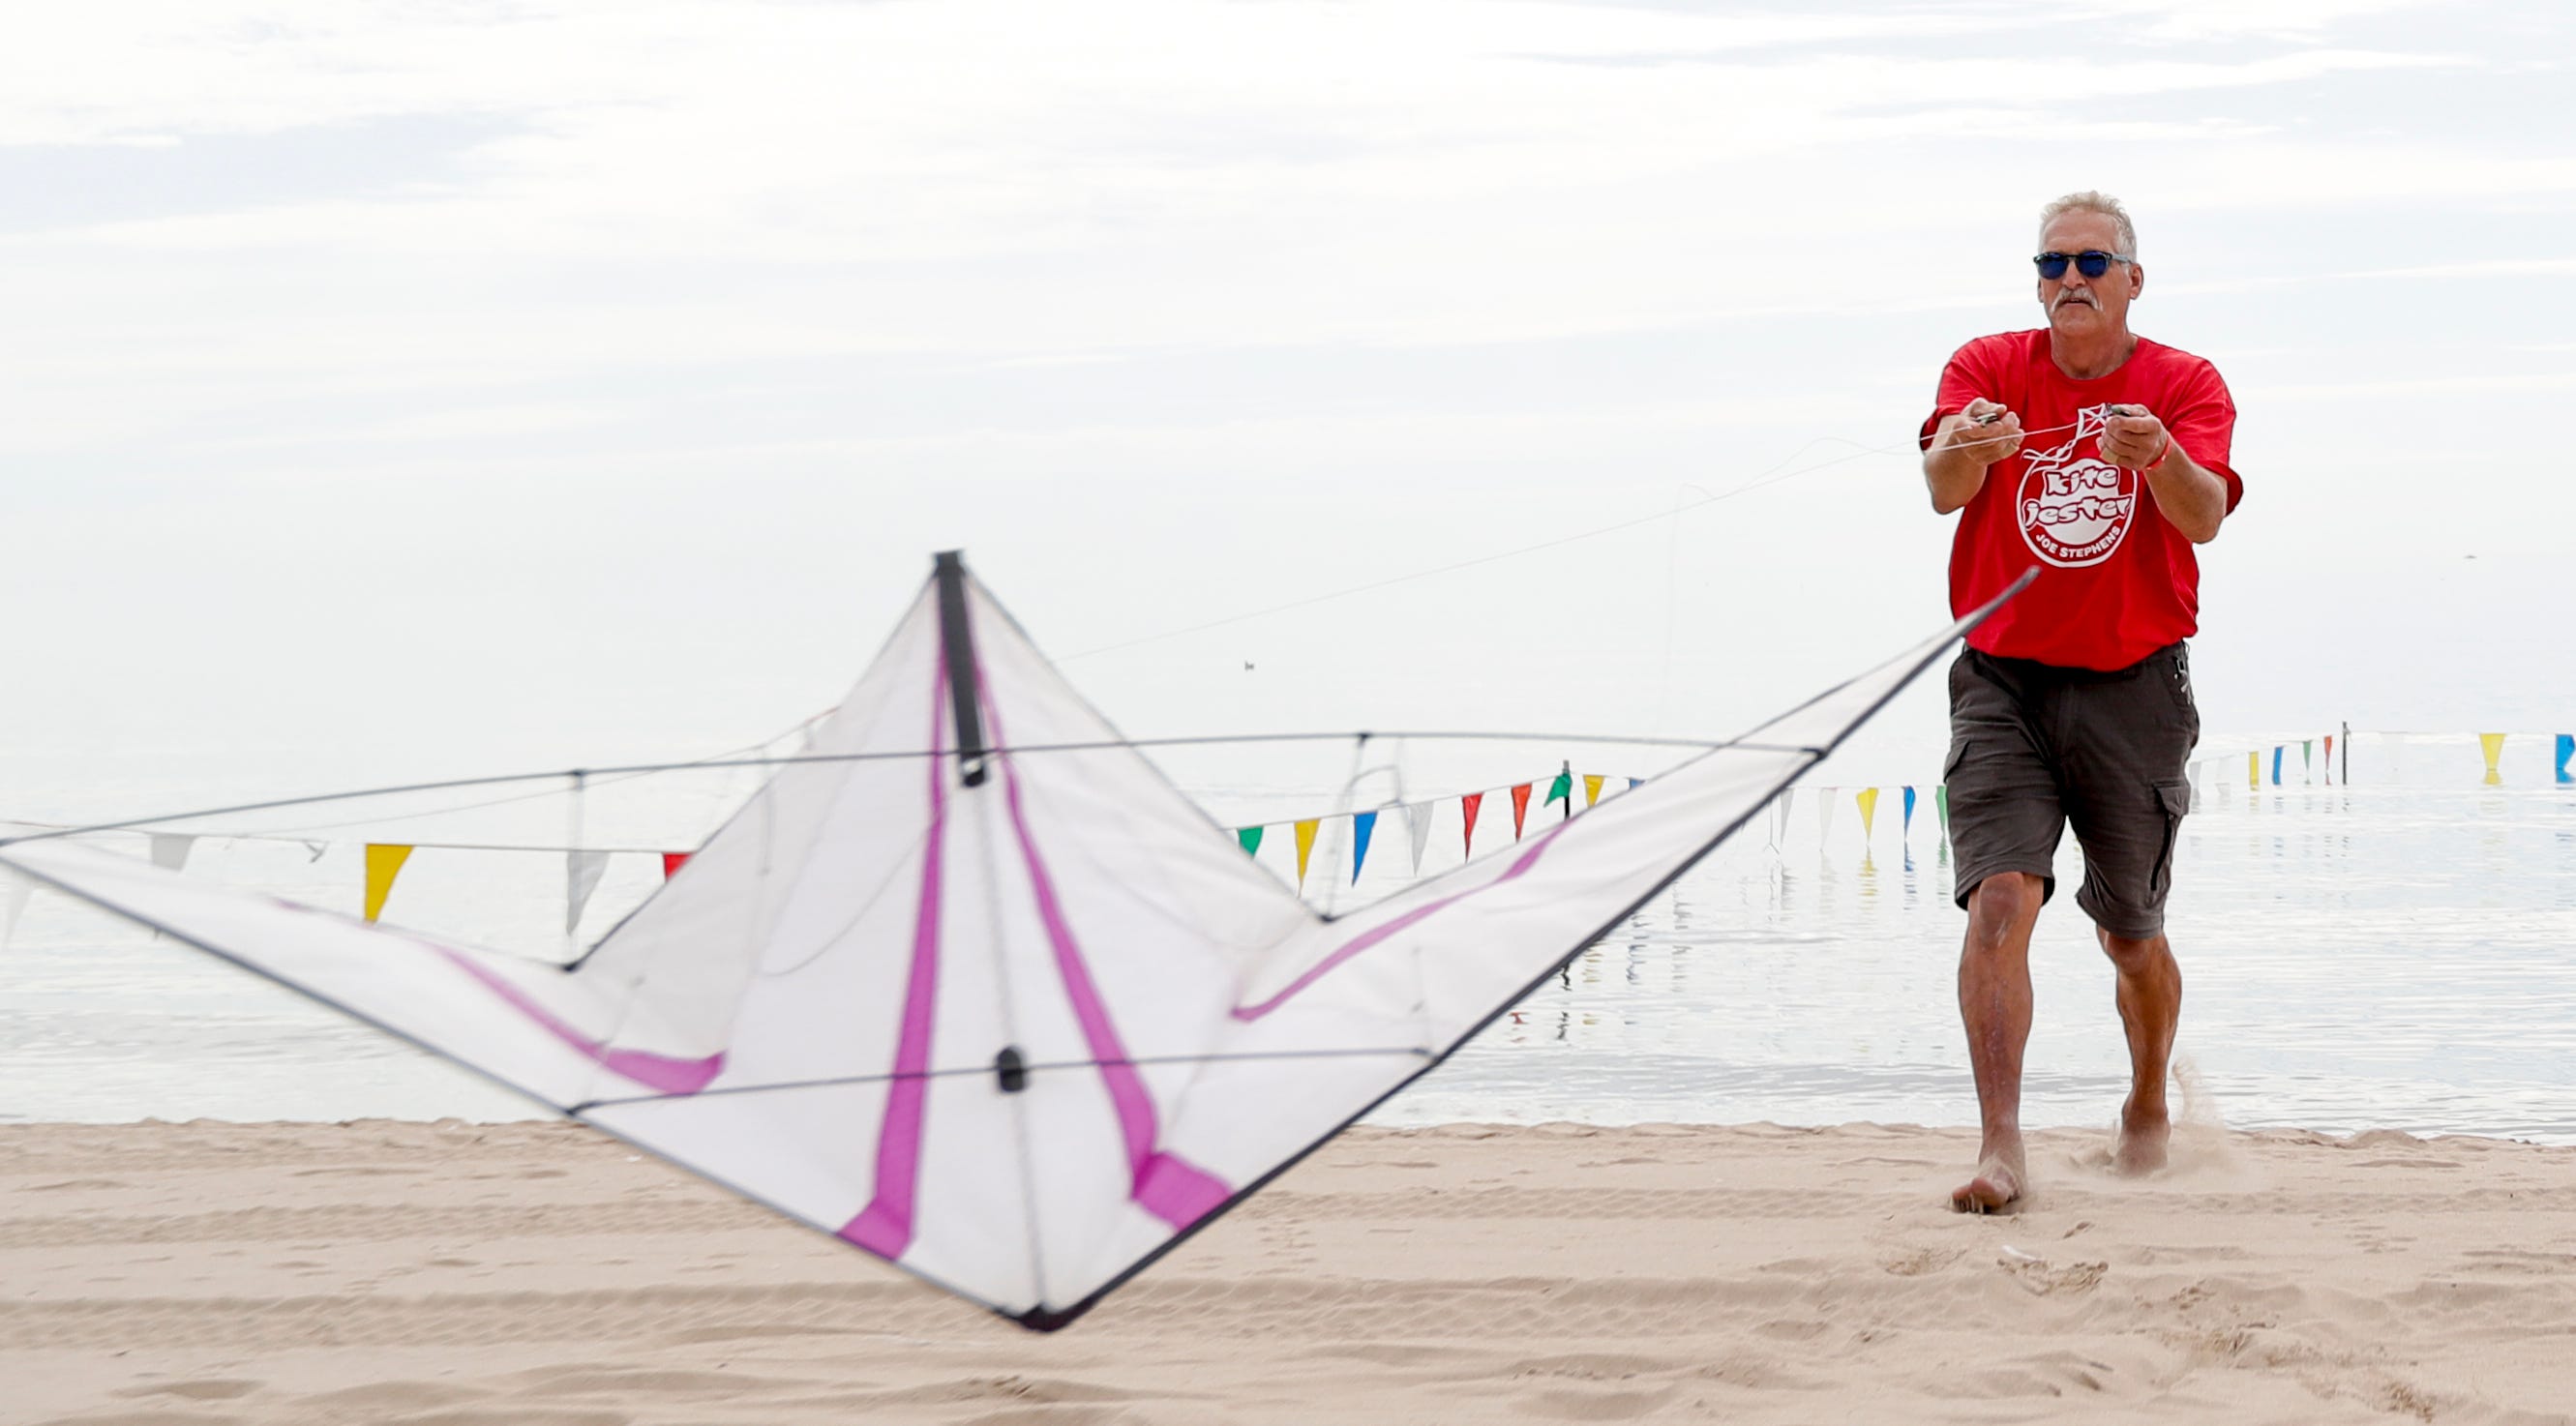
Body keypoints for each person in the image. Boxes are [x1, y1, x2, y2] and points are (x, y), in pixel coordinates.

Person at [1916, 191, 2243, 1213]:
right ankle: (2000, 1147)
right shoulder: (1984, 366)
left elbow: (2205, 519)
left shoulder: (2184, 382)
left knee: (2129, 934)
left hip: (2134, 683)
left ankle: (2147, 1101)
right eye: (2051, 263)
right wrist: (1969, 440)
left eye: (2091, 264)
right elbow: (1939, 487)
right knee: (2000, 899)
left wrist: (2161, 459)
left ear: (2131, 281)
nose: (2069, 280)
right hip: (2002, 677)